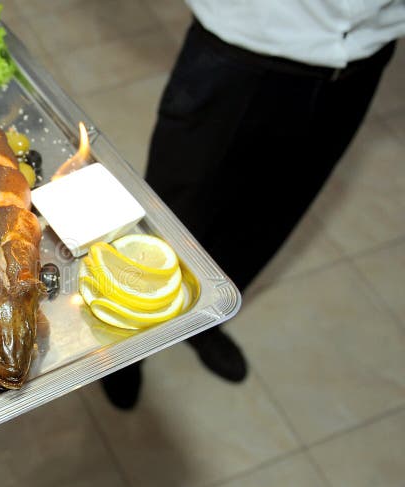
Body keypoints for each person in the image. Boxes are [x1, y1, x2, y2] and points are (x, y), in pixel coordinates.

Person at [102, 0, 404, 409]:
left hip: (364, 53)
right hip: (247, 43)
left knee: (268, 219)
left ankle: (205, 318)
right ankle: (126, 345)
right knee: (172, 218)